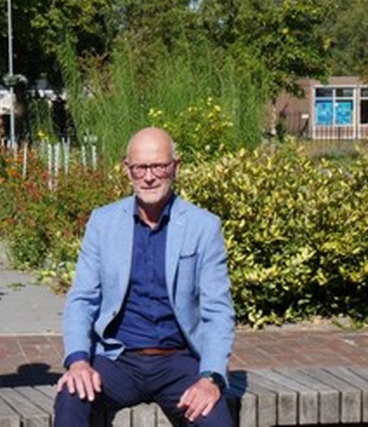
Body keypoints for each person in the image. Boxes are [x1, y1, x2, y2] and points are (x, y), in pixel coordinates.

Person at [54, 127, 235, 426]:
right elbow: (82, 299)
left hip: (178, 360)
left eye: (159, 166)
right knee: (71, 398)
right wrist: (78, 361)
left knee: (215, 420)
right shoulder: (103, 223)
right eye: (140, 168)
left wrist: (211, 378)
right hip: (117, 360)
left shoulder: (203, 227)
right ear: (128, 170)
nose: (149, 176)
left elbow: (218, 311)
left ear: (176, 166)